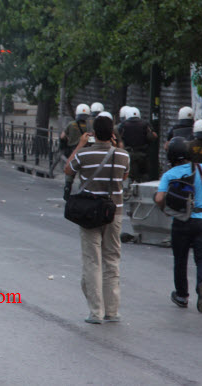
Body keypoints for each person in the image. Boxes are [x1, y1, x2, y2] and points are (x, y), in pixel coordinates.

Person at [64, 114, 130, 324]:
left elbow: (68, 169)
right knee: (112, 260)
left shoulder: (84, 155)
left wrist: (80, 145)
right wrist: (115, 145)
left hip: (90, 212)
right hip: (114, 212)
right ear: (111, 134)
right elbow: (123, 177)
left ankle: (95, 312)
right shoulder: (123, 156)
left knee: (93, 261)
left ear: (92, 133)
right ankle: (113, 311)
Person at [155, 137, 202, 313]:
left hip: (180, 221)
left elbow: (160, 198)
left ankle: (182, 296)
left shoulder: (169, 175)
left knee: (180, 260)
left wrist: (166, 209)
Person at [118, 107, 158, 182]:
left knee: (129, 176)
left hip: (130, 155)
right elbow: (154, 136)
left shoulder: (123, 125)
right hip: (143, 155)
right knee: (144, 175)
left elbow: (119, 140)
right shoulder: (145, 124)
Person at [60, 104, 90, 198]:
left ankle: (68, 186)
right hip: (85, 151)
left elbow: (62, 136)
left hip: (73, 150)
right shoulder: (89, 126)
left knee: (71, 169)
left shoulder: (71, 124)